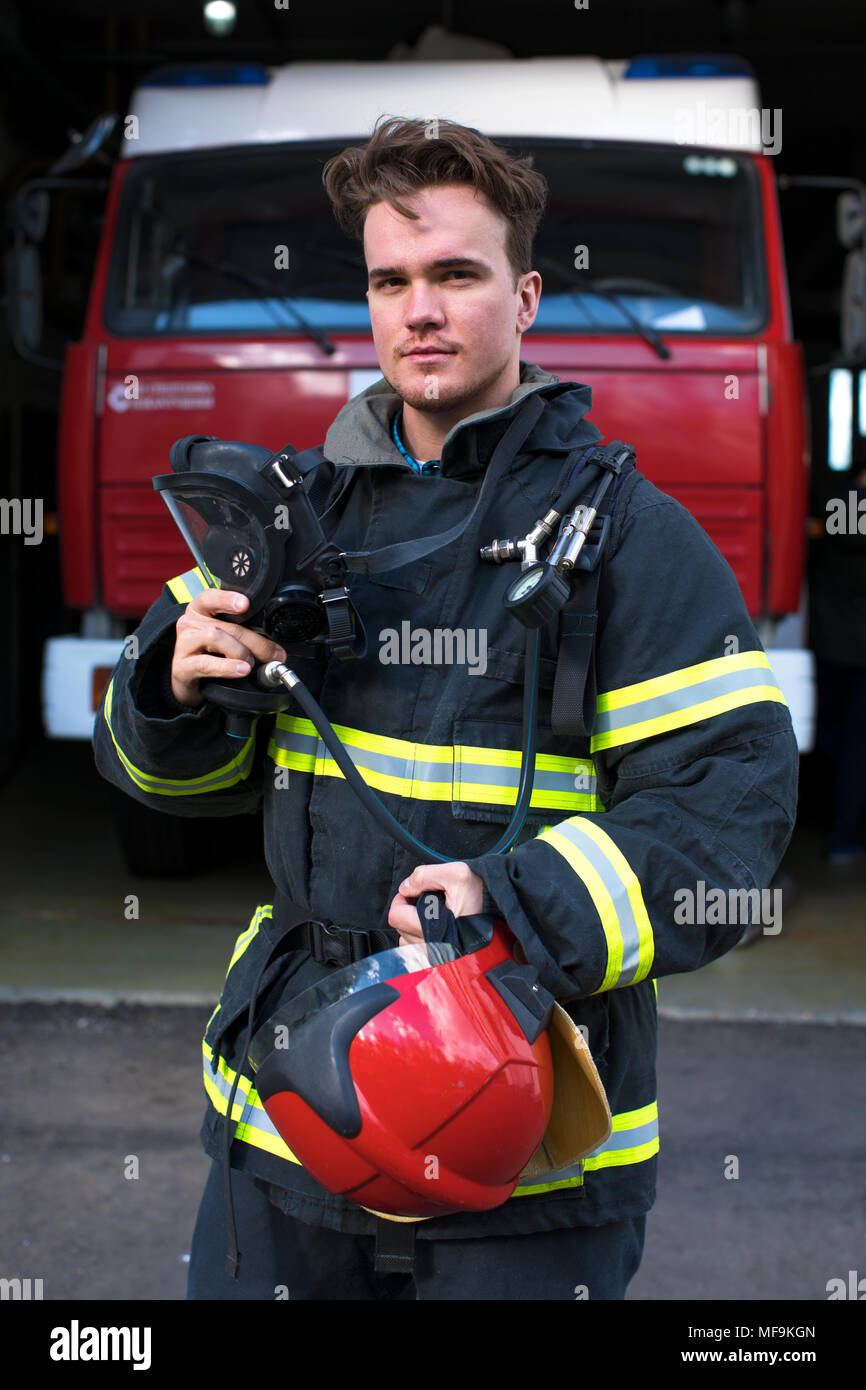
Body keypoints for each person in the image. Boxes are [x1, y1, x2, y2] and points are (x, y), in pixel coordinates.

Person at [93, 115, 799, 1300]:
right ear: (367, 303)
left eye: (455, 275)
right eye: (390, 280)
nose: (419, 309)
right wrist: (172, 689)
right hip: (289, 1133)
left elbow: (728, 817)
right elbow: (160, 779)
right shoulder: (284, 522)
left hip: (517, 1157)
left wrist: (514, 903)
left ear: (524, 299)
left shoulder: (629, 544)